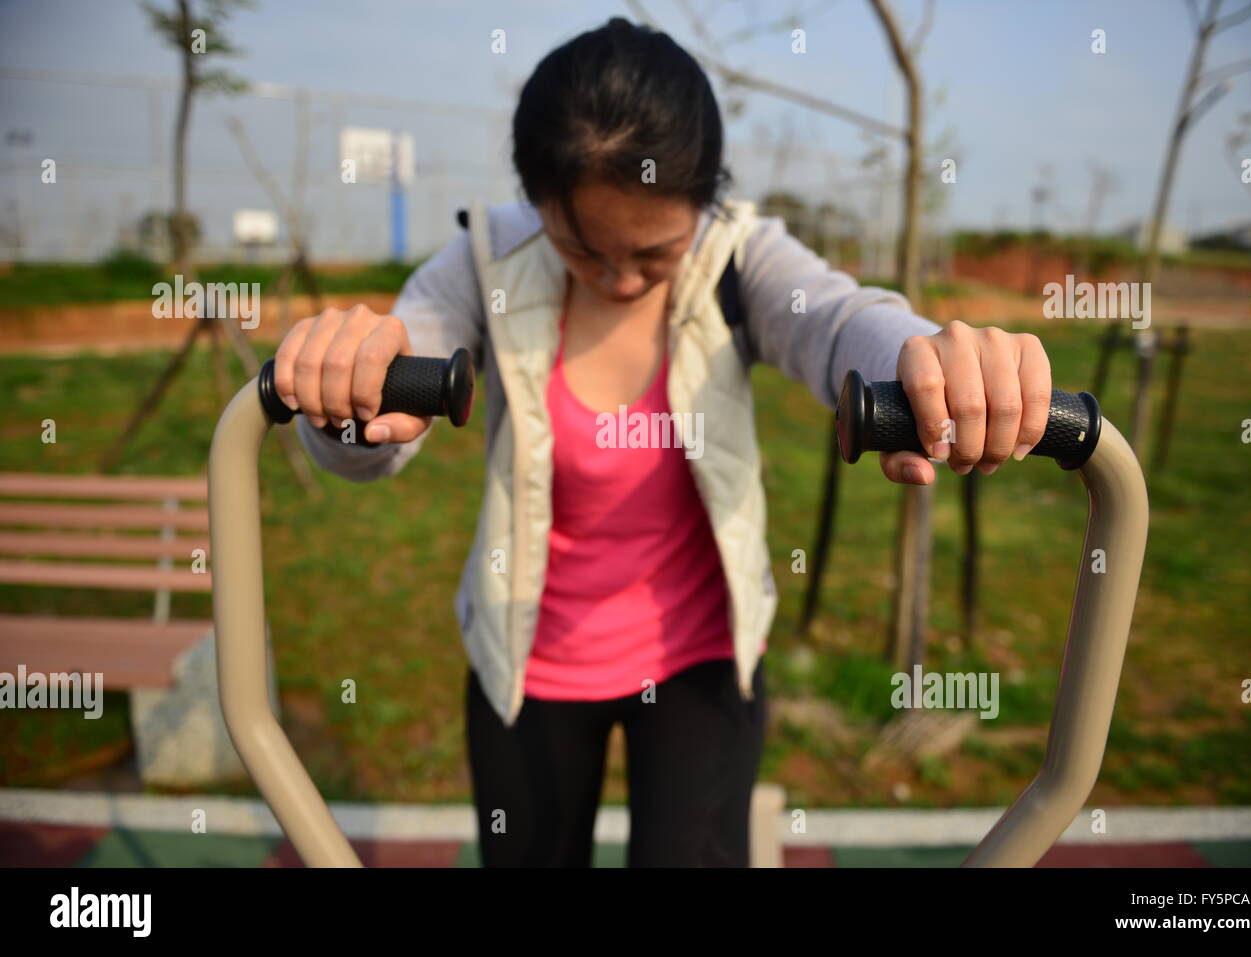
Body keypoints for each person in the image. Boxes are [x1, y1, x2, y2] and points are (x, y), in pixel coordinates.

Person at [273, 17, 1052, 867]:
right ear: (536, 205)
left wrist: (924, 357)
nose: (619, 278)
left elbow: (836, 321)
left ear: (706, 201)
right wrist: (352, 385)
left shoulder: (737, 255)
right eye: (583, 247)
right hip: (527, 658)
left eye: (653, 251)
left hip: (698, 658)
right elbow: (407, 353)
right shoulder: (490, 257)